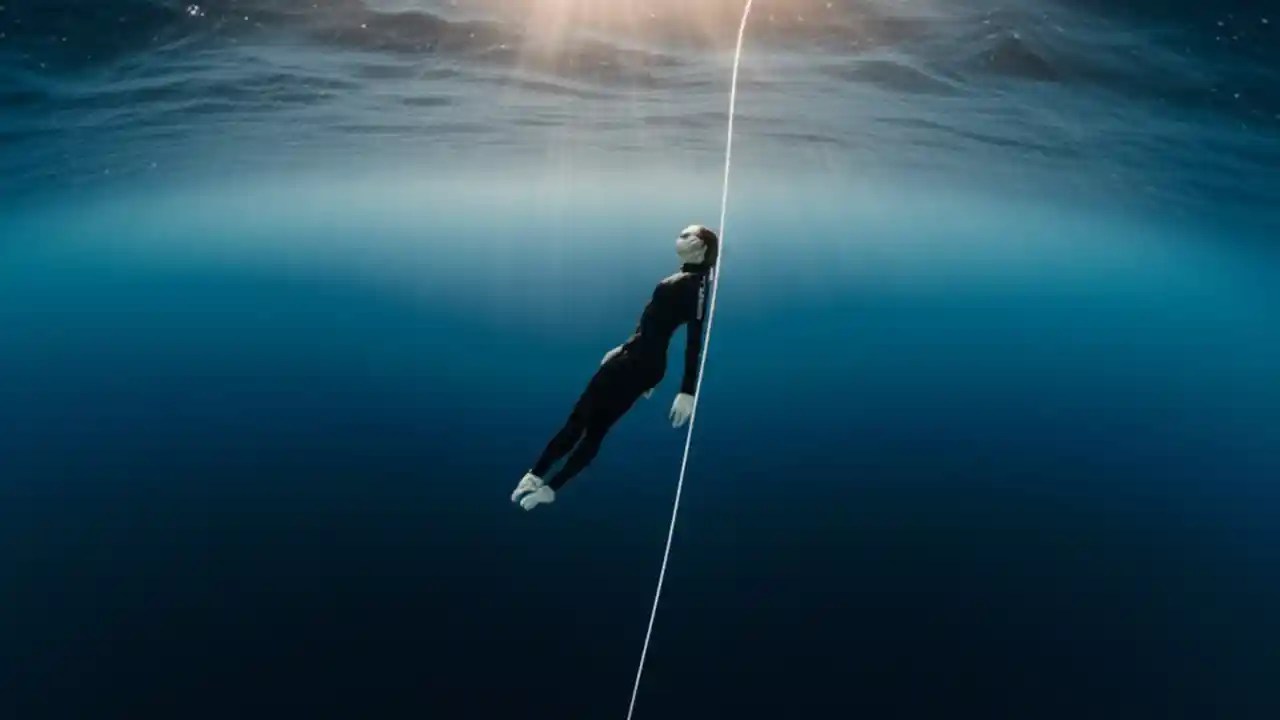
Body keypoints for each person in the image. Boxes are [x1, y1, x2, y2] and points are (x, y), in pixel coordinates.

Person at [510, 224, 719, 511]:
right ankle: (551, 487)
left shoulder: (694, 285)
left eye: (686, 235)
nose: (679, 237)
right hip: (643, 363)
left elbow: (695, 340)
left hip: (635, 363)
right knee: (596, 429)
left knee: (581, 418)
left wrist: (688, 391)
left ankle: (535, 476)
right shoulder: (693, 282)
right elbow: (654, 326)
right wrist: (624, 347)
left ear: (702, 246)